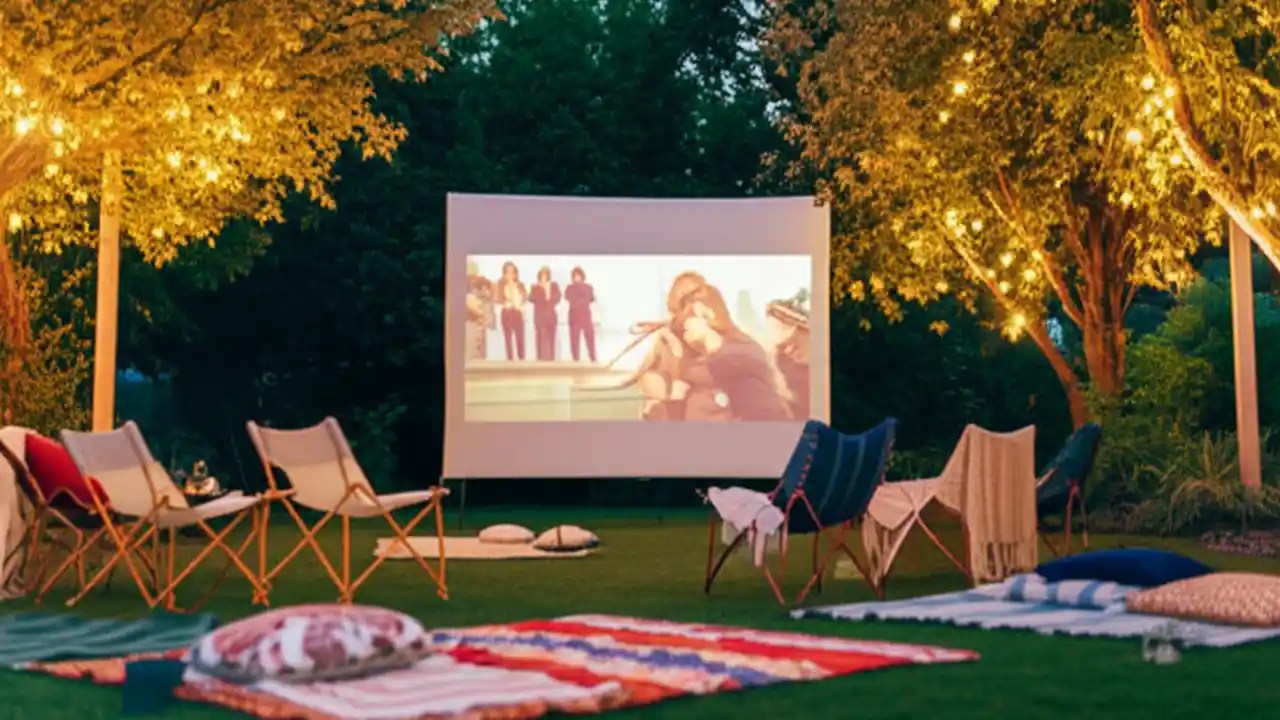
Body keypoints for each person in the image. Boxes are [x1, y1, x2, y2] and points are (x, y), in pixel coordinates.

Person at [676, 283, 792, 421]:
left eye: (690, 318)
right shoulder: (703, 356)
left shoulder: (742, 353)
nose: (685, 326)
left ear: (707, 314)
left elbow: (760, 410)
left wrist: (709, 341)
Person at [496, 261, 528, 361]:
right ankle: (509, 360)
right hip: (507, 312)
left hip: (518, 313)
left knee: (520, 338)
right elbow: (499, 298)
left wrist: (515, 289)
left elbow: (525, 297)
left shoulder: (520, 284)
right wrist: (509, 289)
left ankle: (521, 359)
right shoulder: (501, 284)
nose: (510, 274)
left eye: (512, 272)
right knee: (508, 339)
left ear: (515, 273)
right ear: (504, 274)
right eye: (507, 272)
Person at [564, 266, 596, 362]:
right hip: (574, 316)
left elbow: (592, 299)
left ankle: (592, 357)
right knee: (574, 339)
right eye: (575, 276)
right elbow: (567, 297)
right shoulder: (569, 288)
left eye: (578, 276)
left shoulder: (588, 287)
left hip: (585, 316)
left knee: (589, 338)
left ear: (582, 276)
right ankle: (575, 358)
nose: (577, 278)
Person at [464, 260, 494, 361]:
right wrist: (480, 312)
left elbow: (487, 299)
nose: (472, 278)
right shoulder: (462, 285)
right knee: (471, 348)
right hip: (470, 321)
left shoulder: (481, 283)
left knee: (480, 347)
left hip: (480, 322)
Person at [529, 266, 561, 361]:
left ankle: (552, 358)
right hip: (539, 316)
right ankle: (539, 358)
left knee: (551, 338)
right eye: (542, 275)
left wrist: (548, 294)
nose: (544, 277)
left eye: (545, 275)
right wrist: (540, 289)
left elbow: (557, 297)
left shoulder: (554, 285)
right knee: (539, 338)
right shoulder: (535, 286)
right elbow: (531, 298)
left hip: (551, 316)